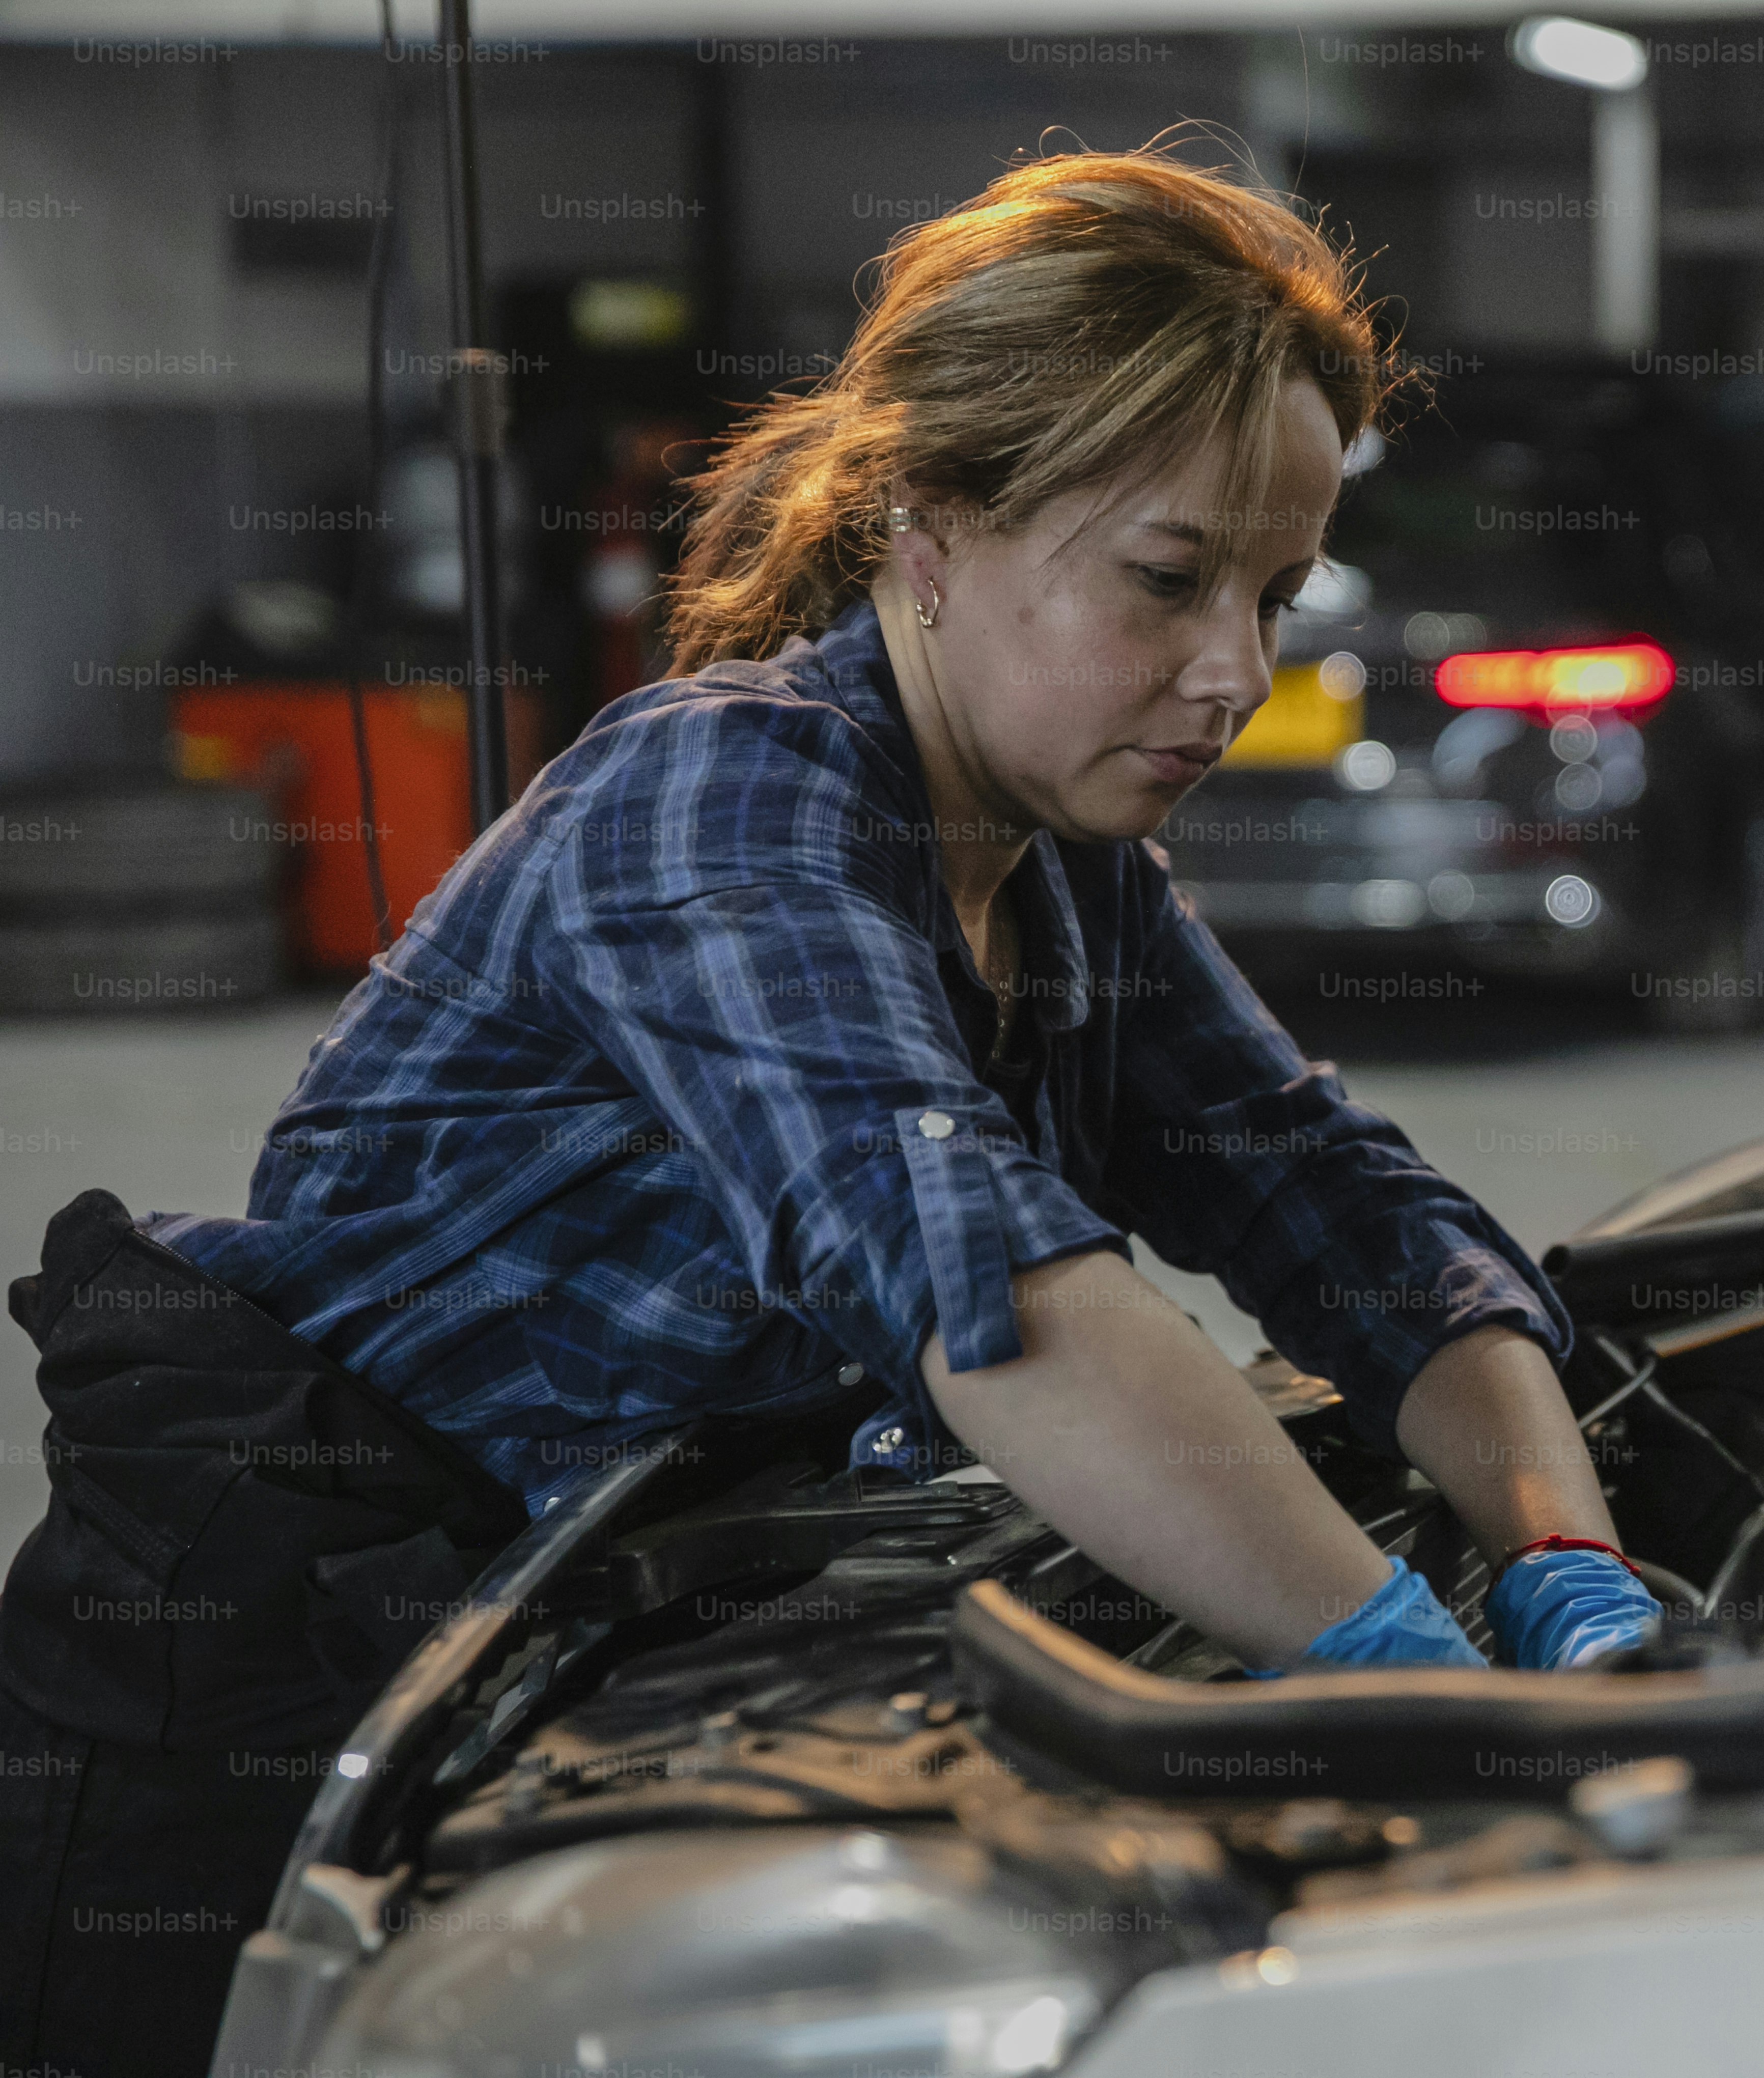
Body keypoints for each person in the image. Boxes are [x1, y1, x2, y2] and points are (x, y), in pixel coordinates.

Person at [0, 150, 1659, 2077]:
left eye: (1273, 592)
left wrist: (1574, 1574)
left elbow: (1332, 1205)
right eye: (1166, 578)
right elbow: (996, 1297)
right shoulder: (716, 807)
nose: (1234, 672)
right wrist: (1401, 1676)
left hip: (588, 1637)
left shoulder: (1059, 868)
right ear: (931, 524)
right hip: (249, 1685)